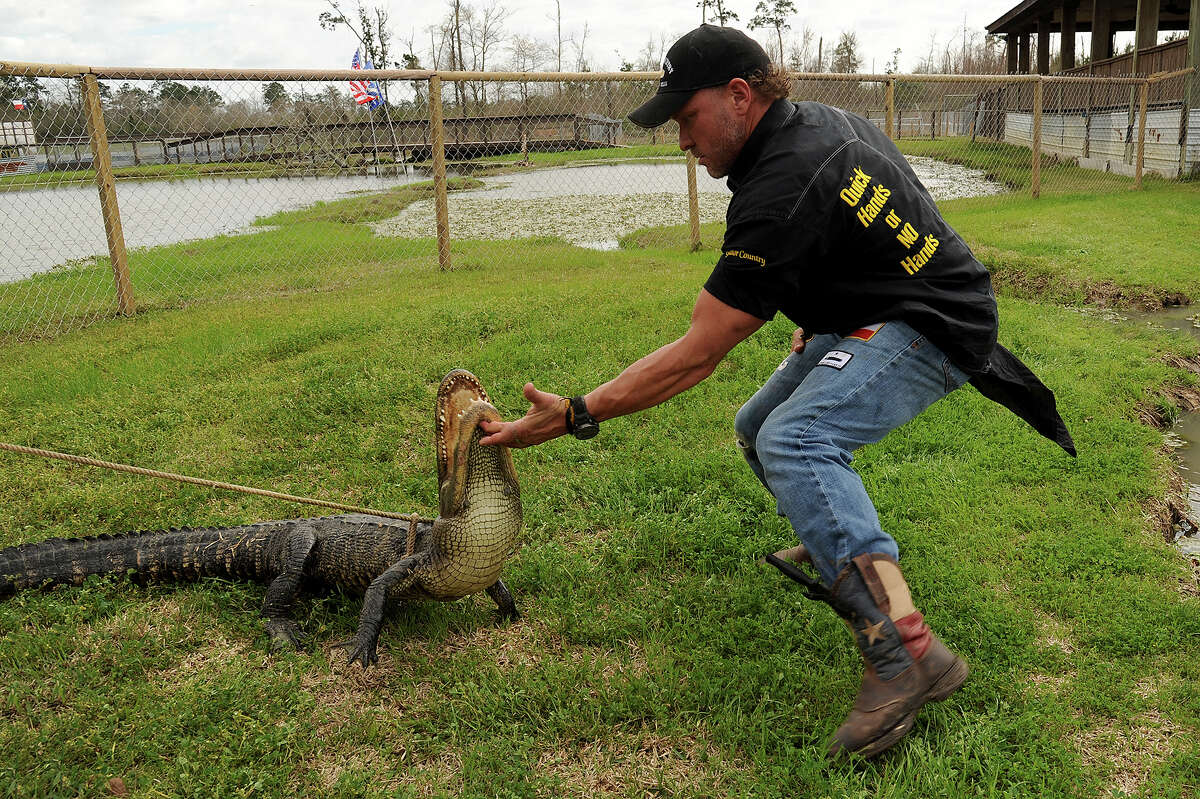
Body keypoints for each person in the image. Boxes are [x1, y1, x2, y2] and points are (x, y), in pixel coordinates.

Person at [479, 24, 1074, 759]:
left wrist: (576, 413)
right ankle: (851, 561)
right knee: (758, 424)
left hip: (935, 323)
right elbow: (885, 213)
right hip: (885, 306)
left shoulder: (780, 184)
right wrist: (829, 308)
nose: (683, 143)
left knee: (797, 439)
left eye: (686, 119)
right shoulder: (819, 124)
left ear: (738, 95)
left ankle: (900, 653)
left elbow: (697, 352)